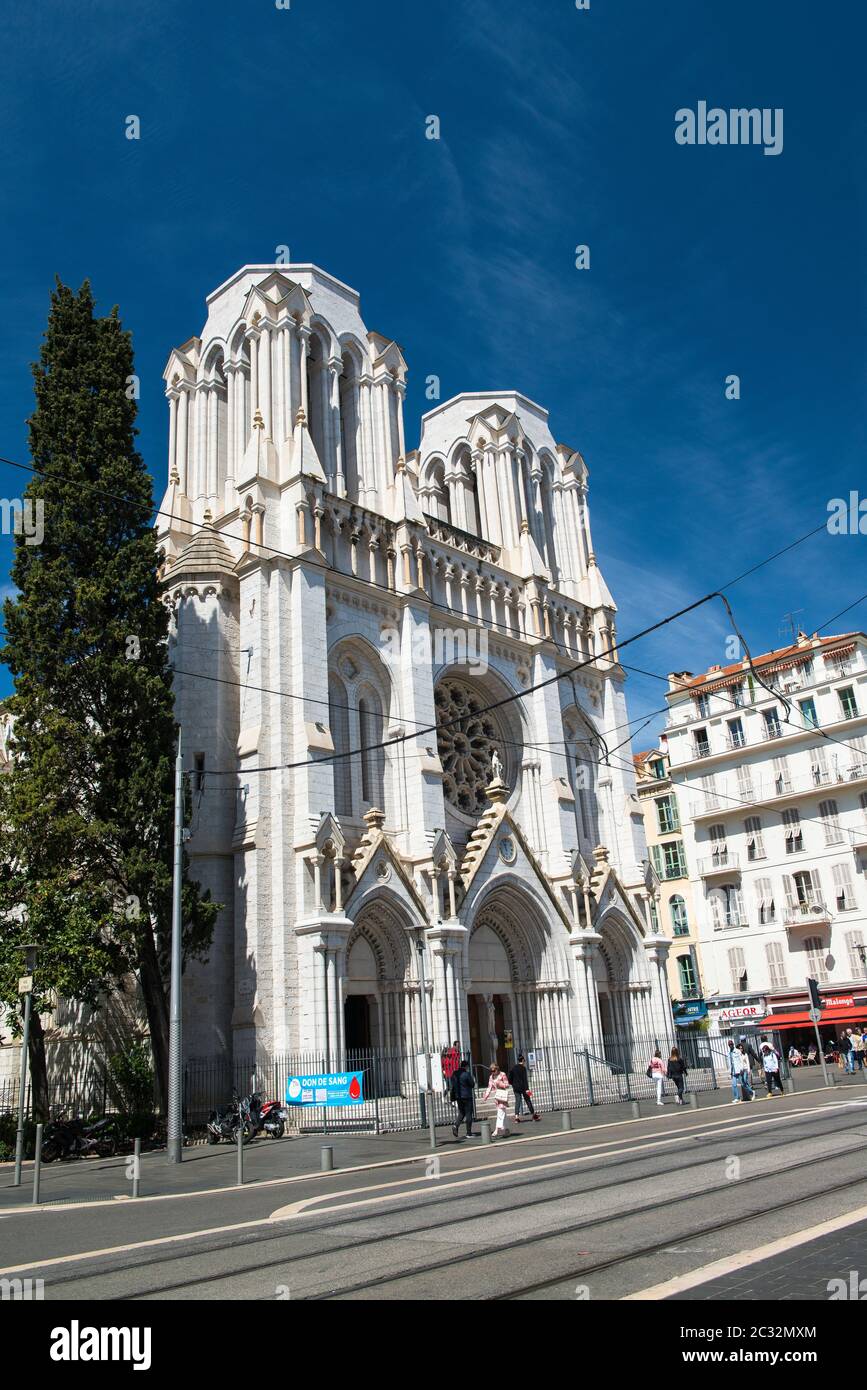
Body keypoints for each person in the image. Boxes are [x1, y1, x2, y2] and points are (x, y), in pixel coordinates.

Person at [508, 1054, 539, 1123]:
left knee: (518, 1101)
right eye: (524, 1060)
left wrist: (511, 1083)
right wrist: (527, 1089)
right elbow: (525, 1079)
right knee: (528, 1100)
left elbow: (510, 1077)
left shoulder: (513, 1067)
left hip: (515, 1087)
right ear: (522, 1060)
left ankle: (516, 1117)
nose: (524, 1062)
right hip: (523, 1087)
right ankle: (533, 1115)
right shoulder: (523, 1068)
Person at [450, 1059, 476, 1139]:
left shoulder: (454, 1074)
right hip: (467, 1096)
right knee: (468, 1113)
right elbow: (472, 1084)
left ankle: (455, 1126)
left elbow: (452, 1083)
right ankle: (469, 1133)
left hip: (458, 1096)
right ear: (466, 1066)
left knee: (462, 1112)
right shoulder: (466, 1074)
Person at [483, 1064, 511, 1138]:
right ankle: (507, 1130)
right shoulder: (491, 1077)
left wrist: (501, 1084)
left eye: (494, 1070)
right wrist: (486, 1095)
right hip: (497, 1097)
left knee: (500, 1112)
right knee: (503, 1113)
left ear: (497, 1069)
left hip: (502, 1096)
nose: (492, 1072)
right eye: (491, 1071)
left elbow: (507, 1084)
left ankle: (497, 1129)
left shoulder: (502, 1074)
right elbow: (489, 1087)